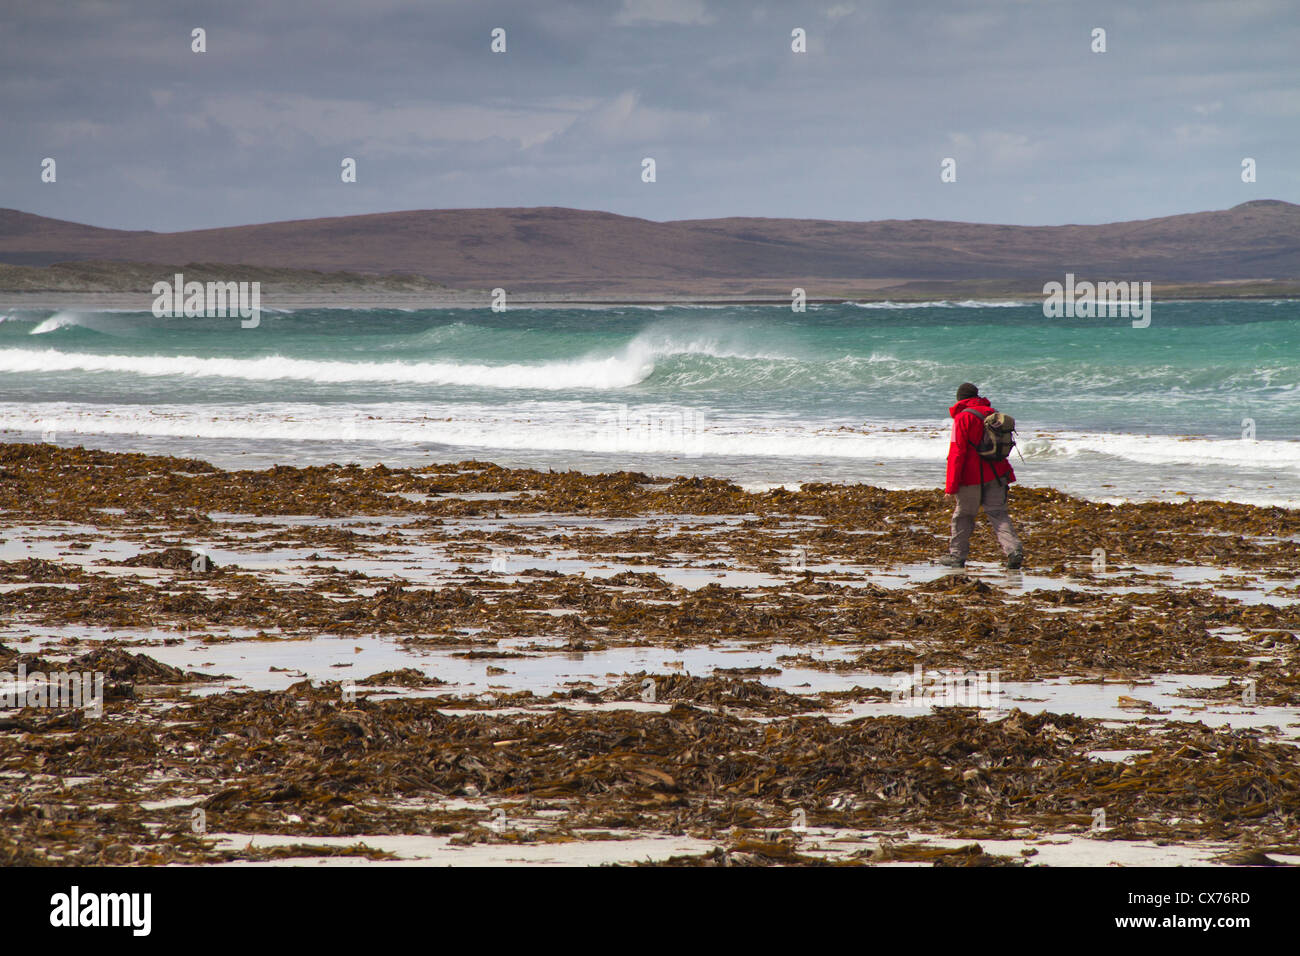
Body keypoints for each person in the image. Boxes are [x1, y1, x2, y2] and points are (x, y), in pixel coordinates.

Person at [937, 382, 1023, 569]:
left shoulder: (962, 418)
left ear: (959, 398)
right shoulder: (992, 414)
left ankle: (957, 556)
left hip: (970, 478)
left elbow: (957, 453)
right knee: (999, 514)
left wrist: (950, 486)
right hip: (997, 473)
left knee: (964, 516)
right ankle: (1013, 550)